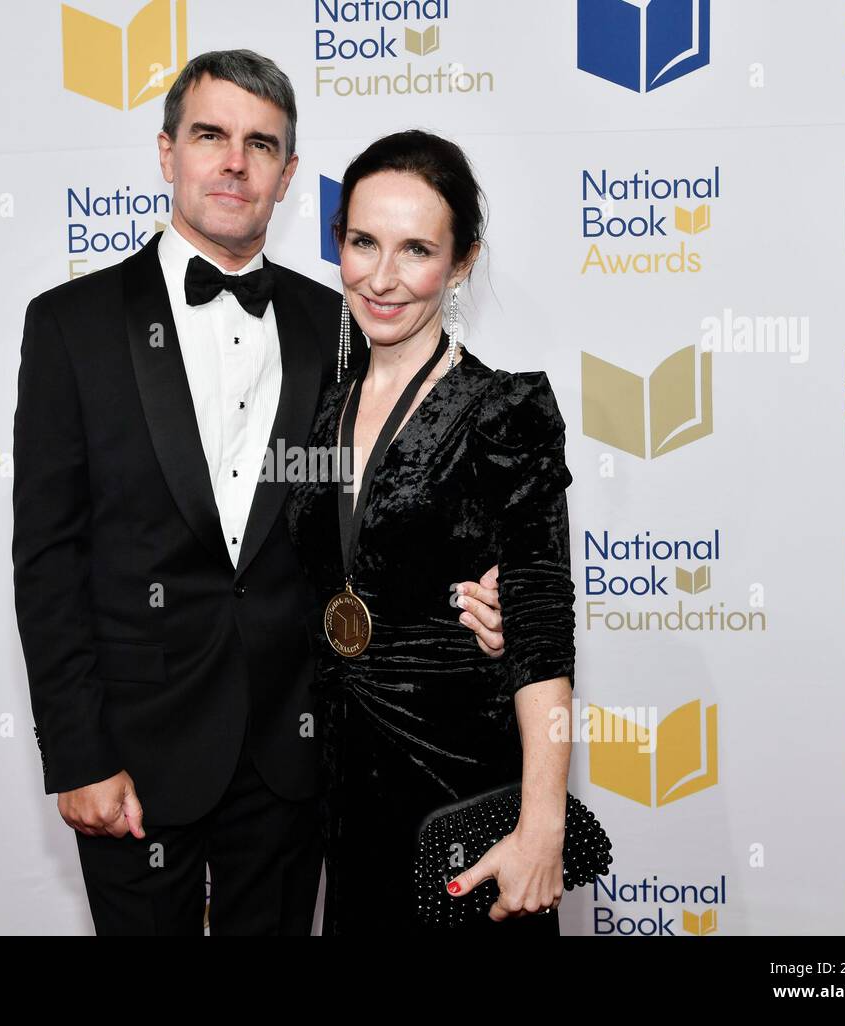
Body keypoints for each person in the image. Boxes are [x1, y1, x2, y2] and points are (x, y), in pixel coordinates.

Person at [10, 52, 504, 936]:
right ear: (167, 153)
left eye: (260, 144)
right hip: (133, 755)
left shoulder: (339, 325)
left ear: (288, 176)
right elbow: (47, 558)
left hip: (293, 751)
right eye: (211, 136)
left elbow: (382, 510)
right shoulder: (69, 325)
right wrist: (77, 755)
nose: (235, 162)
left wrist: (480, 587)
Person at [285, 130, 577, 934]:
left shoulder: (503, 412)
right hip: (345, 785)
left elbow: (543, 630)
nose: (382, 278)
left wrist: (542, 825)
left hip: (460, 783)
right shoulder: (317, 414)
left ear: (461, 262)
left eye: (416, 250)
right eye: (363, 243)